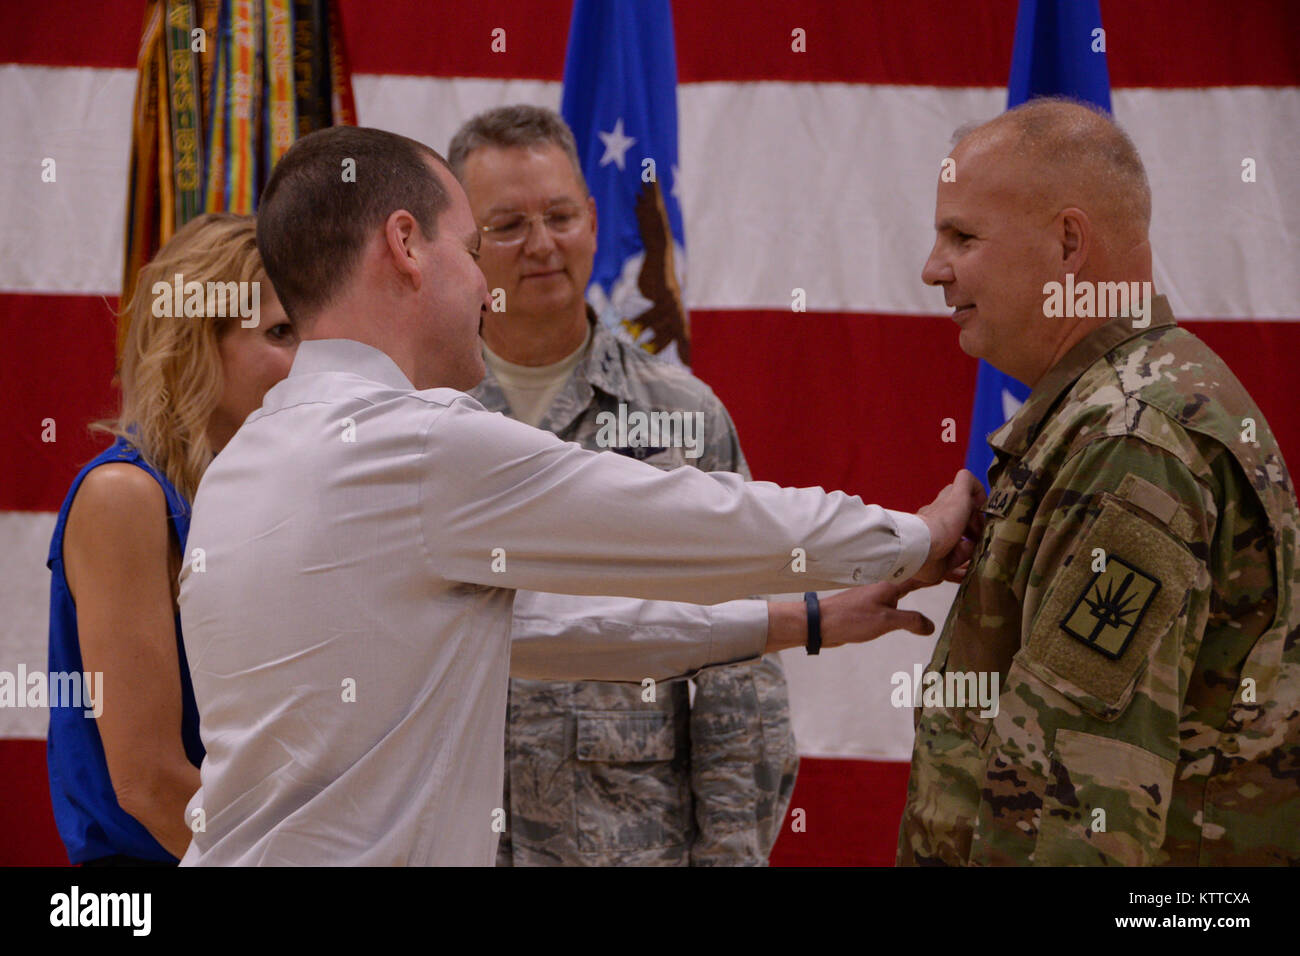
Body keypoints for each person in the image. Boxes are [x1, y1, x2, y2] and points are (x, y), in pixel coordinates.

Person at [178, 124, 982, 867]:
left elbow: (543, 629)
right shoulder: (417, 445)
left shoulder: (246, 460)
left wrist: (805, 618)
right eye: (469, 246)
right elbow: (687, 520)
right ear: (404, 246)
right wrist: (911, 536)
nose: (487, 288)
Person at [897, 97, 1299, 866]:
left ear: (1069, 244)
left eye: (963, 236)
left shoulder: (1130, 440)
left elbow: (1075, 812)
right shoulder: (1114, 410)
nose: (932, 268)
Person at [449, 105, 797, 866]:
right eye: (508, 226)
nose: (543, 245)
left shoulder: (681, 414)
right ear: (464, 246)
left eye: (561, 216)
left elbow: (740, 657)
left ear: (595, 220)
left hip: (635, 844)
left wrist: (732, 853)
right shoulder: (422, 419)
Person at [46, 213, 296, 865]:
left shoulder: (274, 494)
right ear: (196, 342)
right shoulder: (125, 496)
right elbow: (149, 782)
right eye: (280, 332)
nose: (310, 361)